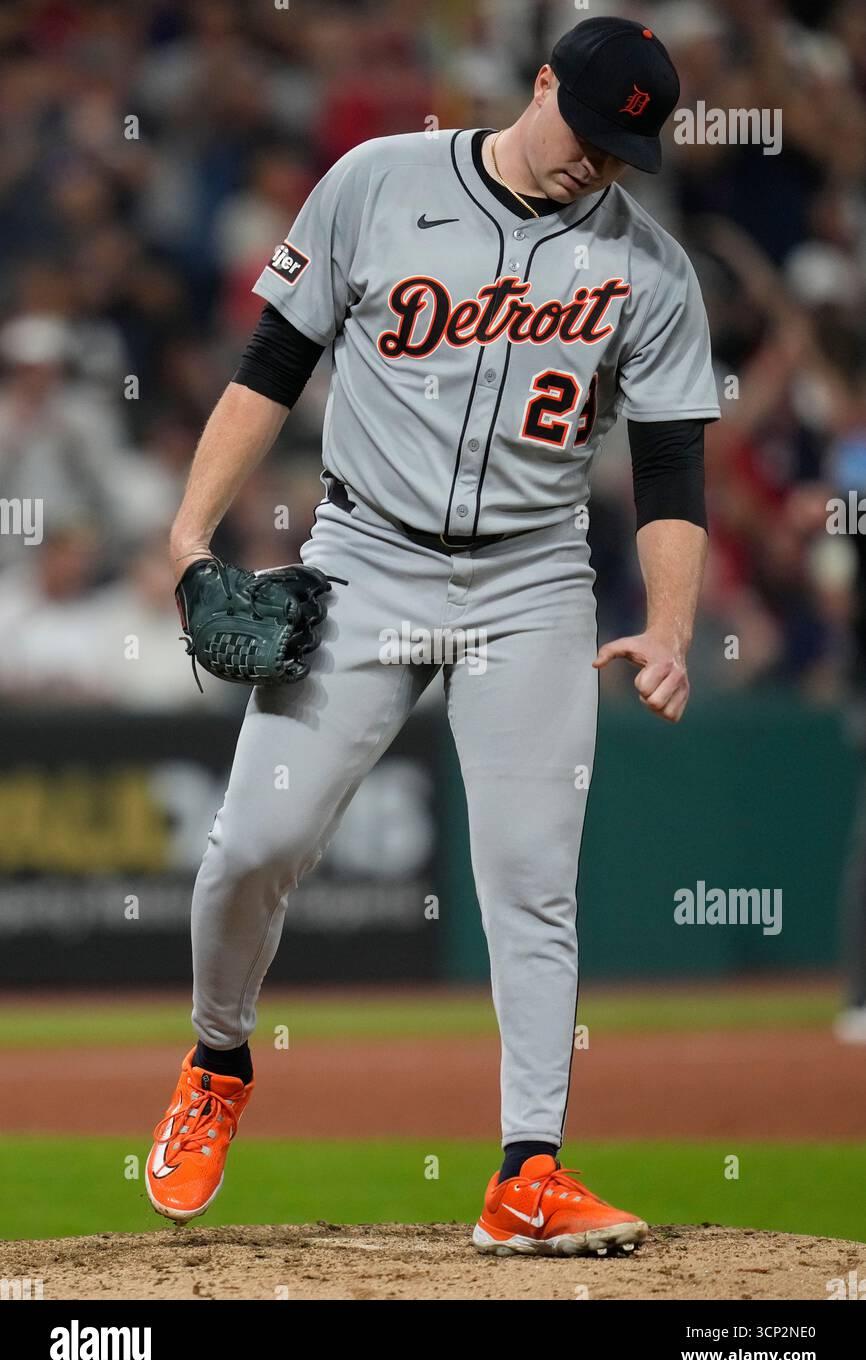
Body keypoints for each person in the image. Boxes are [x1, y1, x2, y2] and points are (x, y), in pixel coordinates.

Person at [146, 16, 719, 1257]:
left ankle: (527, 1171)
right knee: (255, 843)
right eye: (591, 130)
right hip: (362, 559)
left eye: (628, 148)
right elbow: (270, 365)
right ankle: (218, 1058)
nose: (599, 163)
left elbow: (670, 470)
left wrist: (668, 626)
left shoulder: (651, 272)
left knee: (529, 882)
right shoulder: (377, 182)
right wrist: (189, 537)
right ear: (540, 83)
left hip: (531, 584)